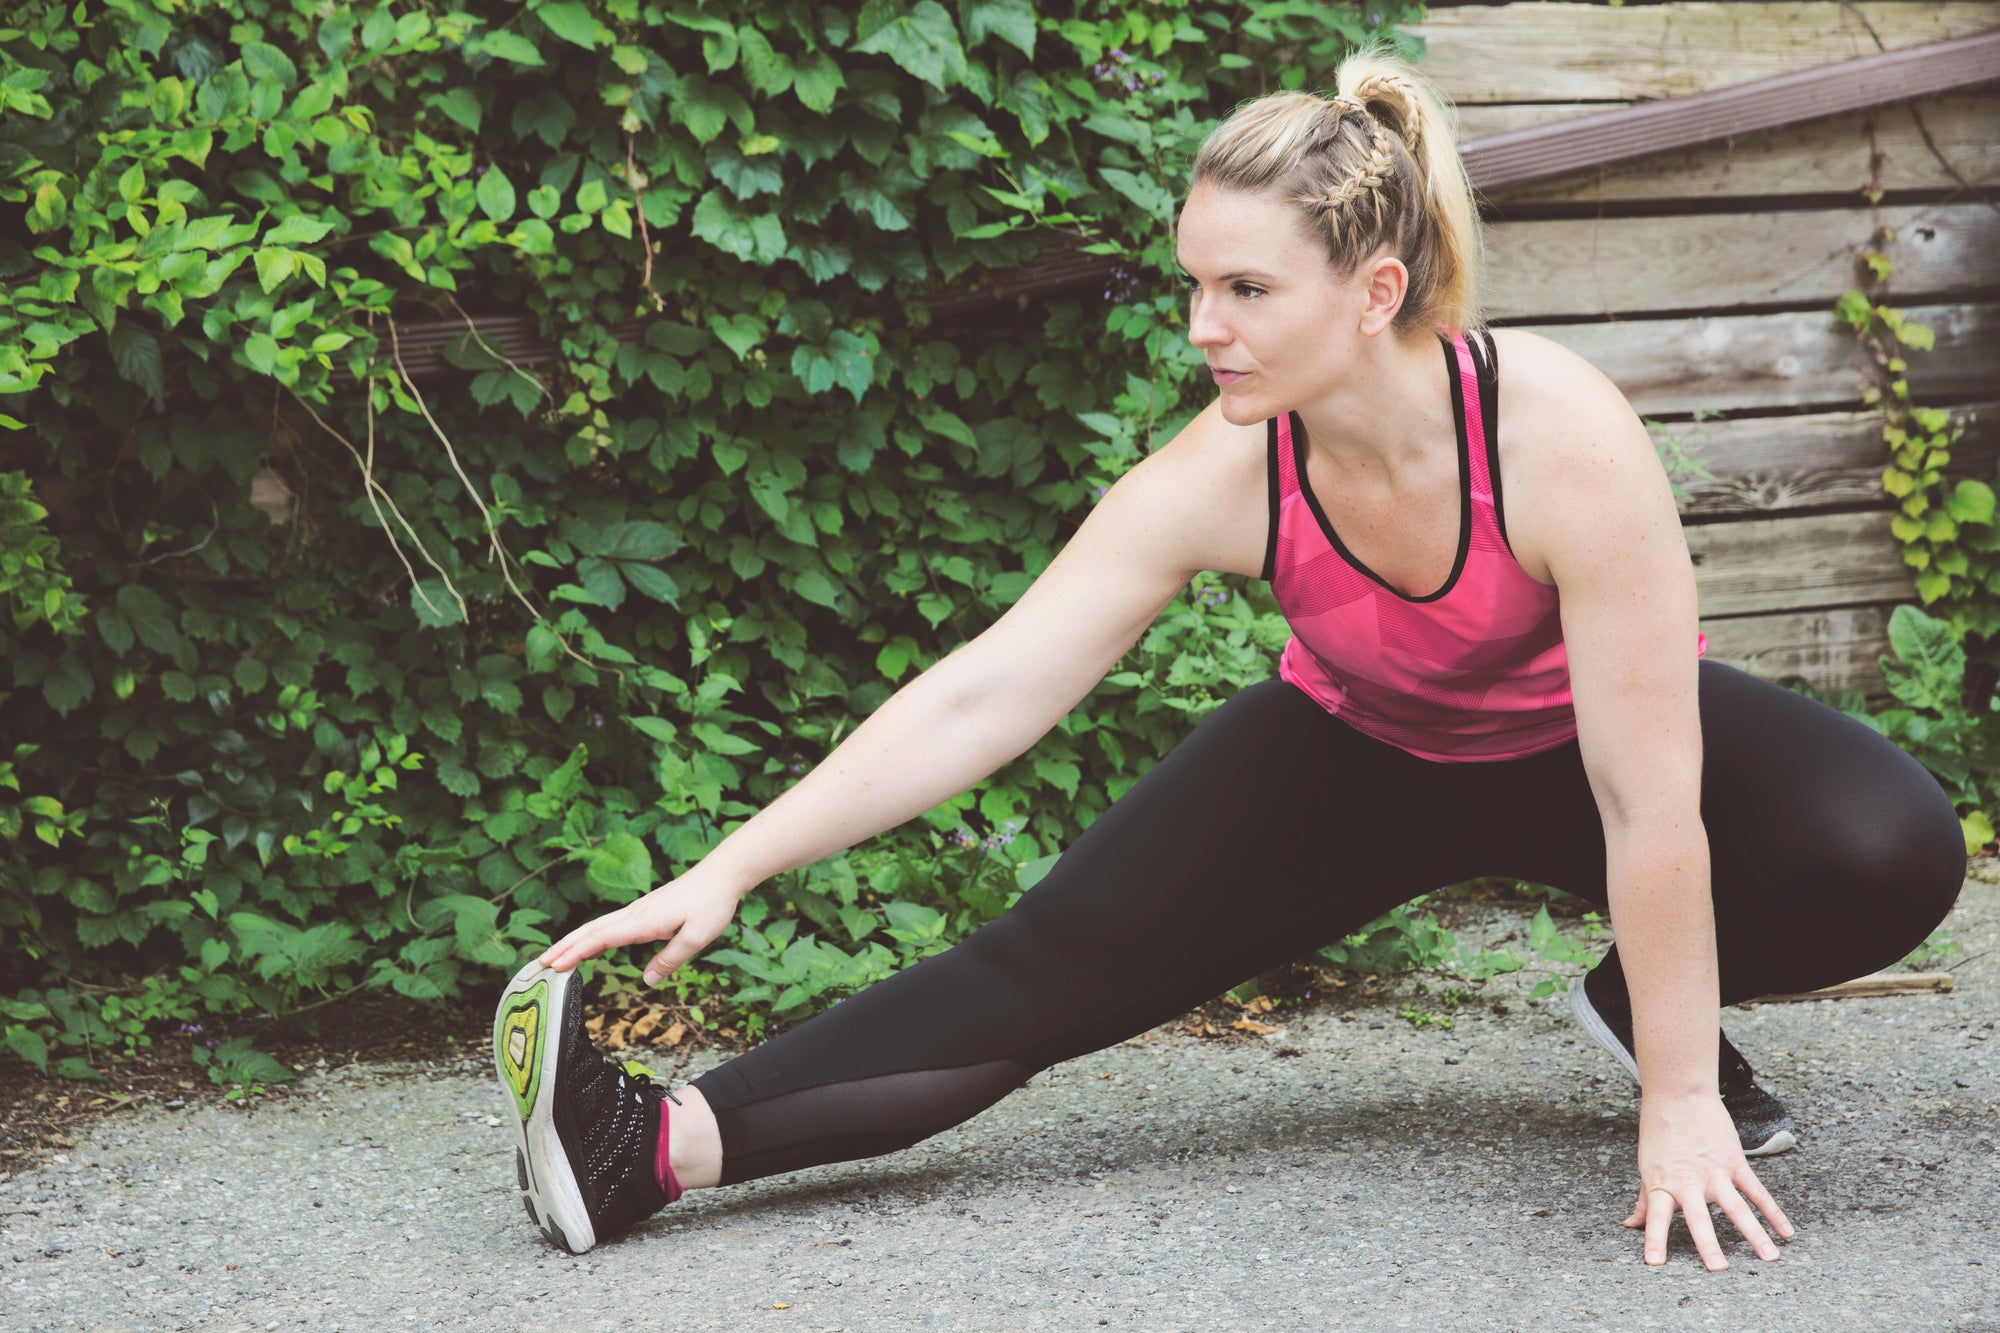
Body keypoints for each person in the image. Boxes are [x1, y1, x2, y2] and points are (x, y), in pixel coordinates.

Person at [490, 46, 1967, 1269]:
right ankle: (650, 1144)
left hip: (1583, 752)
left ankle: (1635, 997)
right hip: (1359, 754)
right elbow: (990, 687)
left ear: (1375, 292)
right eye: (1197, 286)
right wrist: (733, 863)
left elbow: (1651, 802)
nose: (1206, 328)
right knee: (1041, 967)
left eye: (1249, 292)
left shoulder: (1560, 441)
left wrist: (1680, 1091)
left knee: (1890, 843)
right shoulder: (1226, 469)